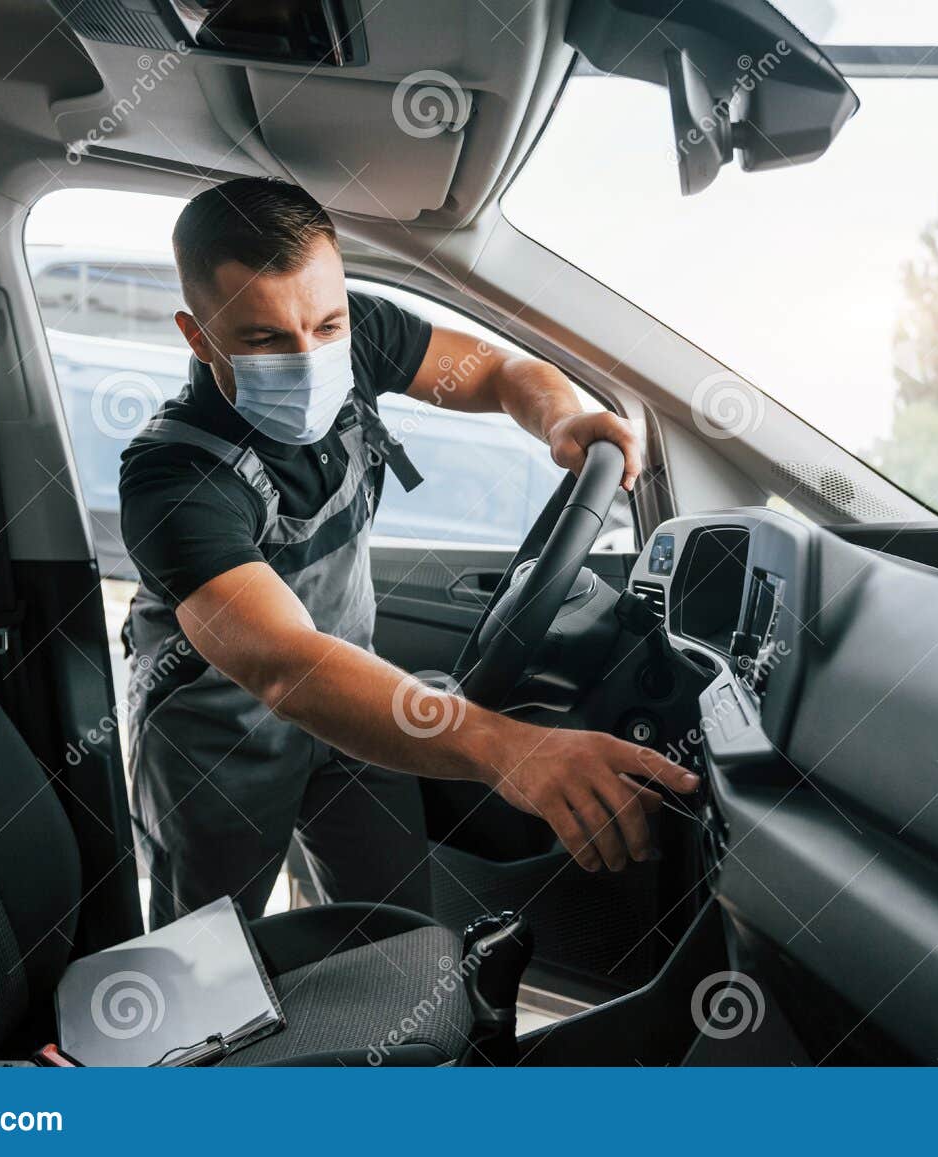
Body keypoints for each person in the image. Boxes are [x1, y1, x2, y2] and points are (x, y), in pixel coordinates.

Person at [120, 177, 696, 928]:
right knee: (205, 967)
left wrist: (564, 417)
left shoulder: (358, 339)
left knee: (394, 929)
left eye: (326, 324)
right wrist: (511, 749)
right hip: (220, 742)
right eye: (263, 339)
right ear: (198, 336)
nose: (307, 356)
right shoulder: (174, 478)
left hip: (364, 703)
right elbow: (287, 664)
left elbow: (494, 370)